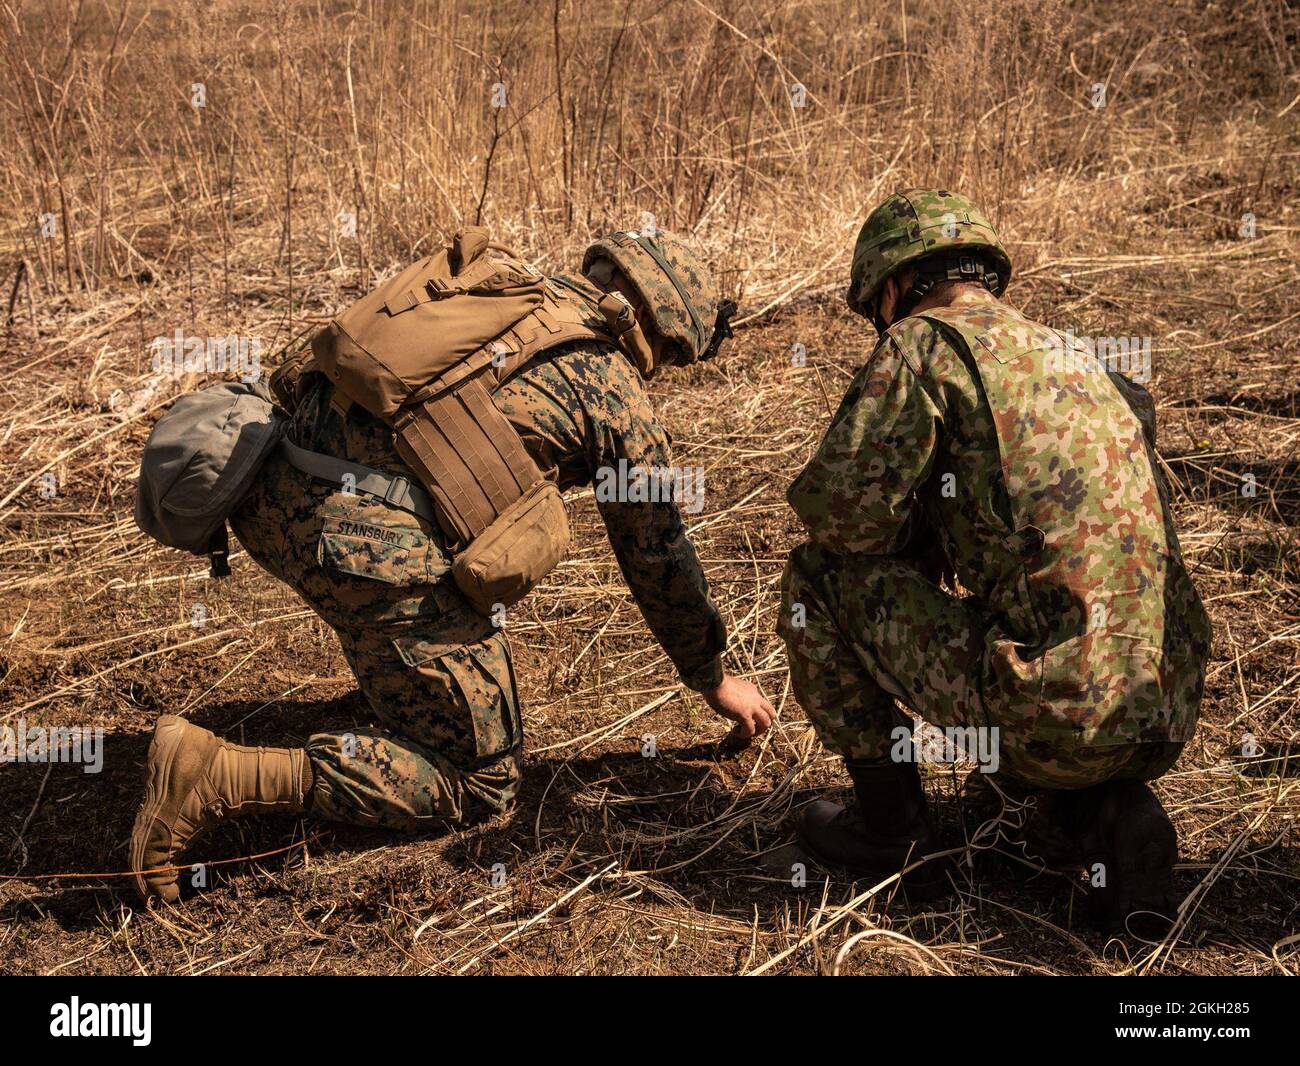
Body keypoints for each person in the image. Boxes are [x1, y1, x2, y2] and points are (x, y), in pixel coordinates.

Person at [130, 229, 774, 903]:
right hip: (363, 549)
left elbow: (306, 368)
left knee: (421, 561)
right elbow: (657, 553)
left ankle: (404, 680)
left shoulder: (497, 289)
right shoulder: (611, 389)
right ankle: (213, 775)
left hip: (267, 492)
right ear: (659, 333)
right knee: (480, 781)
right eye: (671, 359)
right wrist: (711, 675)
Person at [778, 189, 1211, 920]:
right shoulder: (1086, 357)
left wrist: (916, 538)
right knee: (1044, 661)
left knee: (814, 579)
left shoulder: (923, 344)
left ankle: (891, 833)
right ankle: (1106, 813)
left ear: (893, 287)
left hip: (1052, 711)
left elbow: (840, 519)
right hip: (1164, 706)